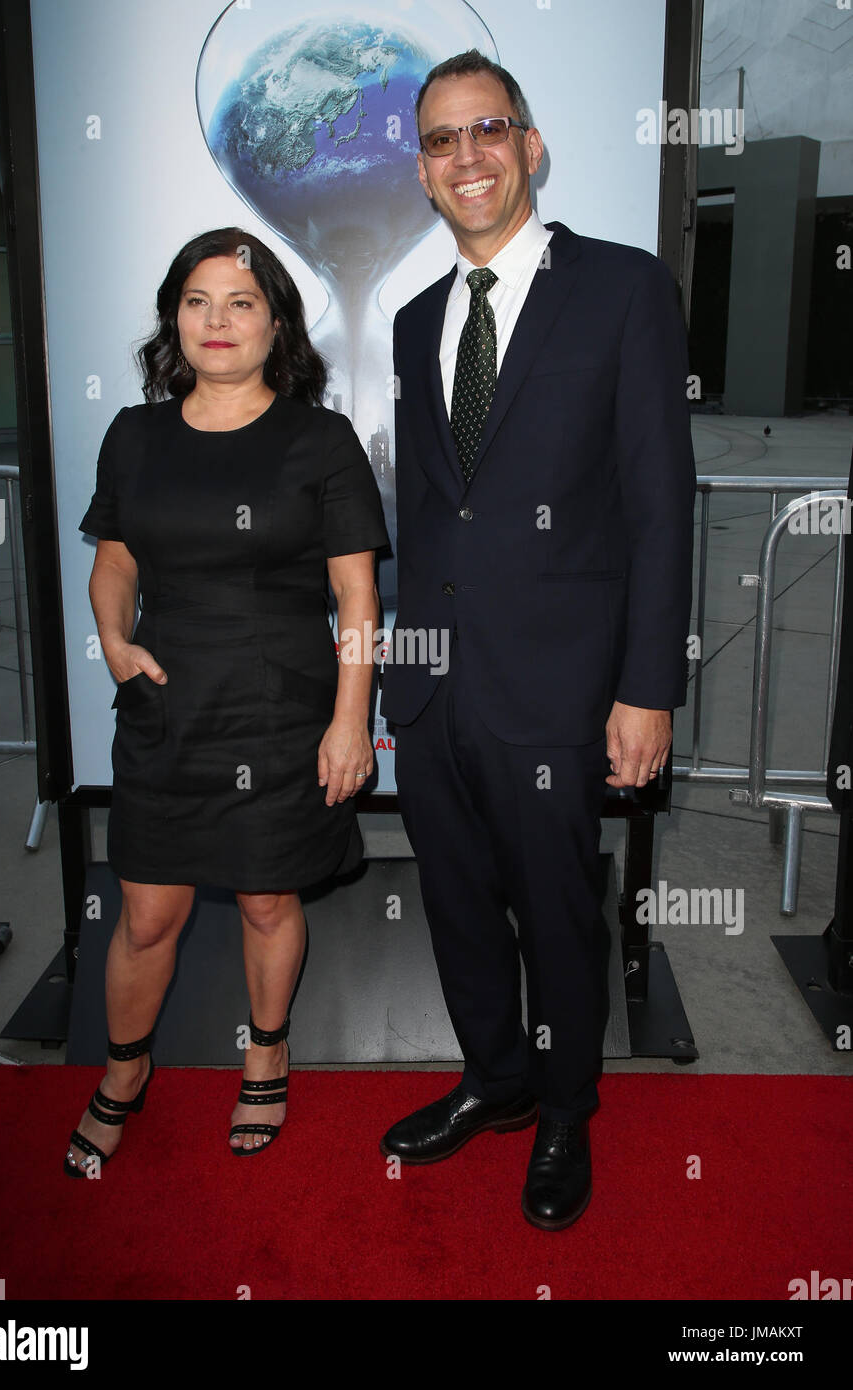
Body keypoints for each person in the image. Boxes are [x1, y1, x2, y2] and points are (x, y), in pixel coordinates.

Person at [379, 52, 696, 1229]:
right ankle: (496, 1080)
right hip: (436, 691)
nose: (467, 156)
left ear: (530, 145)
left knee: (557, 909)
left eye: (488, 130)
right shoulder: (416, 323)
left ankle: (565, 1107)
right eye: (443, 140)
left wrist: (644, 685)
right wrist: (398, 683)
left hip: (562, 689)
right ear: (421, 169)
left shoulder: (620, 291)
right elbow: (424, 514)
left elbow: (661, 501)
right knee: (458, 901)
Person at [65, 228, 388, 1176]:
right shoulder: (135, 435)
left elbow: (359, 597)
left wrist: (348, 721)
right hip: (168, 715)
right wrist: (118, 642)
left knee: (263, 899)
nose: (217, 321)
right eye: (199, 300)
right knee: (146, 915)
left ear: (276, 322)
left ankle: (266, 1052)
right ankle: (126, 1070)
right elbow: (114, 559)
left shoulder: (318, 441)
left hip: (283, 712)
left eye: (241, 302)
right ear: (175, 316)